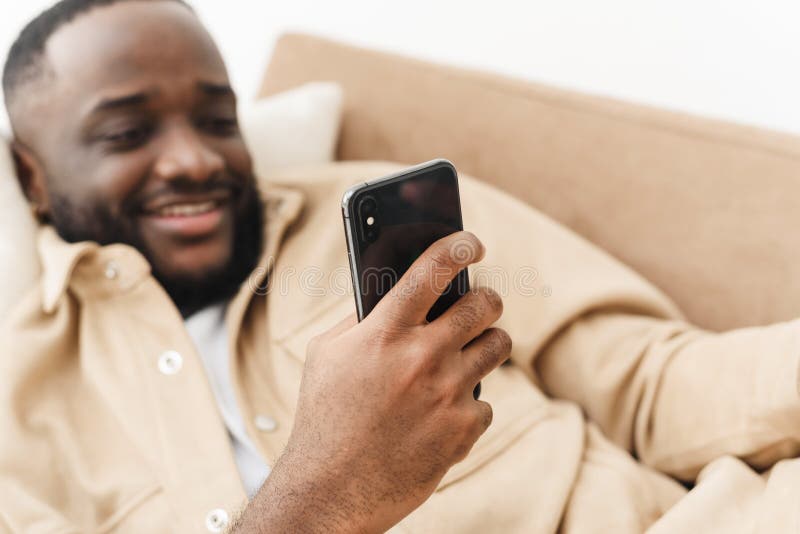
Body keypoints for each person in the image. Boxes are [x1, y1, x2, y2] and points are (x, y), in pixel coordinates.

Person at [2, 1, 799, 532]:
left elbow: (653, 382)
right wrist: (330, 486)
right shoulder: (17, 407)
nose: (194, 160)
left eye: (217, 118)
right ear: (31, 176)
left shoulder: (385, 212)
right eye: (125, 134)